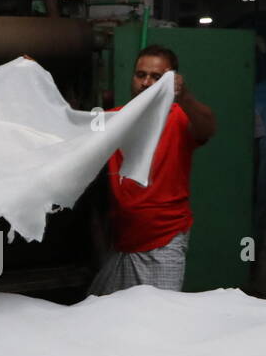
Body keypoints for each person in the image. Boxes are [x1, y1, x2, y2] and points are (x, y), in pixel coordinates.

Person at [88, 45, 217, 294]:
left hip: (163, 241)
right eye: (140, 75)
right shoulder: (115, 119)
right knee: (106, 315)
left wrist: (186, 96)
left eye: (156, 77)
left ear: (172, 80)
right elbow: (71, 129)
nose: (146, 83)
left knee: (160, 320)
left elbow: (207, 128)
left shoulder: (179, 116)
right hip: (123, 243)